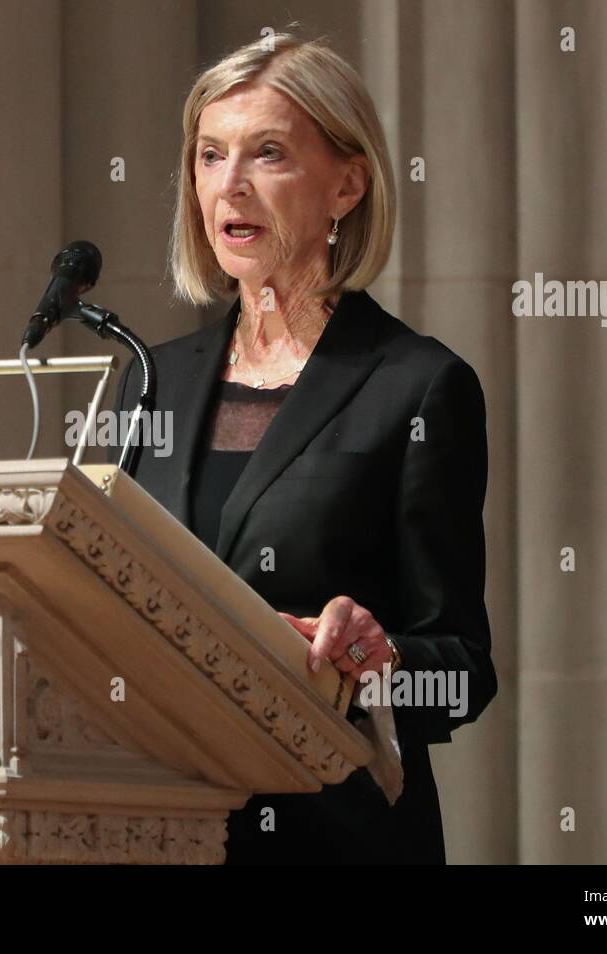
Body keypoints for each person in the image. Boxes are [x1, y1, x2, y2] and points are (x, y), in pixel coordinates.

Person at [109, 33, 498, 864]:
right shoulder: (151, 381)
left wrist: (380, 659)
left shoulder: (417, 387)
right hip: (162, 827)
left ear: (346, 186)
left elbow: (462, 668)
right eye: (210, 155)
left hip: (335, 837)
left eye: (269, 153)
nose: (229, 184)